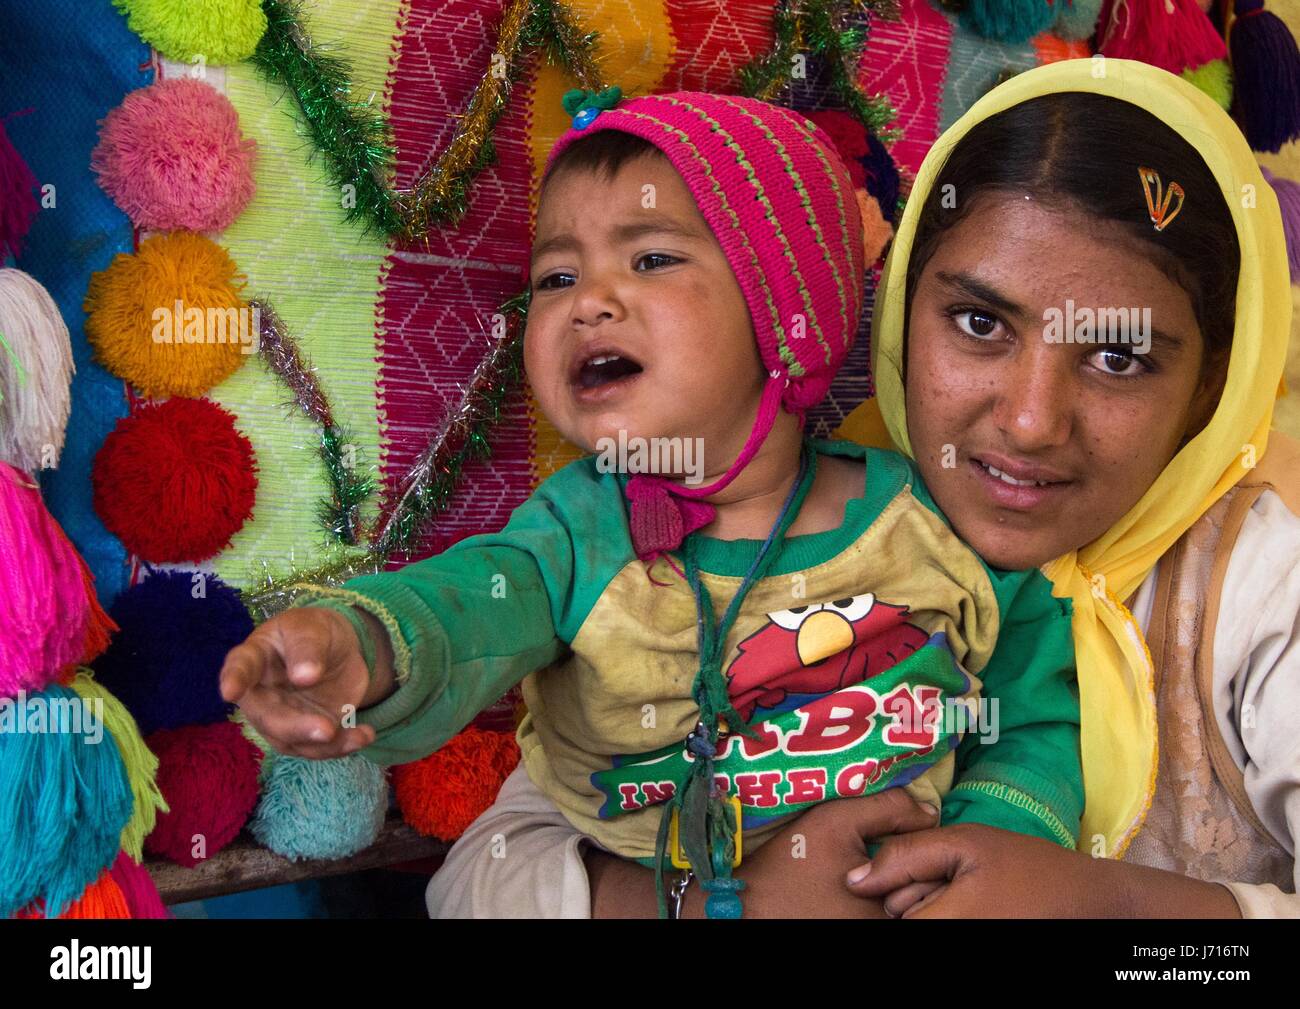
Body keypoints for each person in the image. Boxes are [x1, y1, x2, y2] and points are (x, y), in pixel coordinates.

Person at [219, 88, 1085, 919]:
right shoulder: (575, 536)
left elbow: (1033, 717)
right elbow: (466, 610)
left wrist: (981, 857)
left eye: (652, 258)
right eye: (556, 277)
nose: (588, 301)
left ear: (790, 315)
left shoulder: (929, 525)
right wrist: (363, 644)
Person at [832, 56, 1298, 918]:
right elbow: (511, 854)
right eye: (980, 324)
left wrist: (1113, 913)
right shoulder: (803, 512)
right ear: (901, 311)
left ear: (1210, 387)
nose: (1031, 423)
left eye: (1118, 358)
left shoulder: (1263, 584)